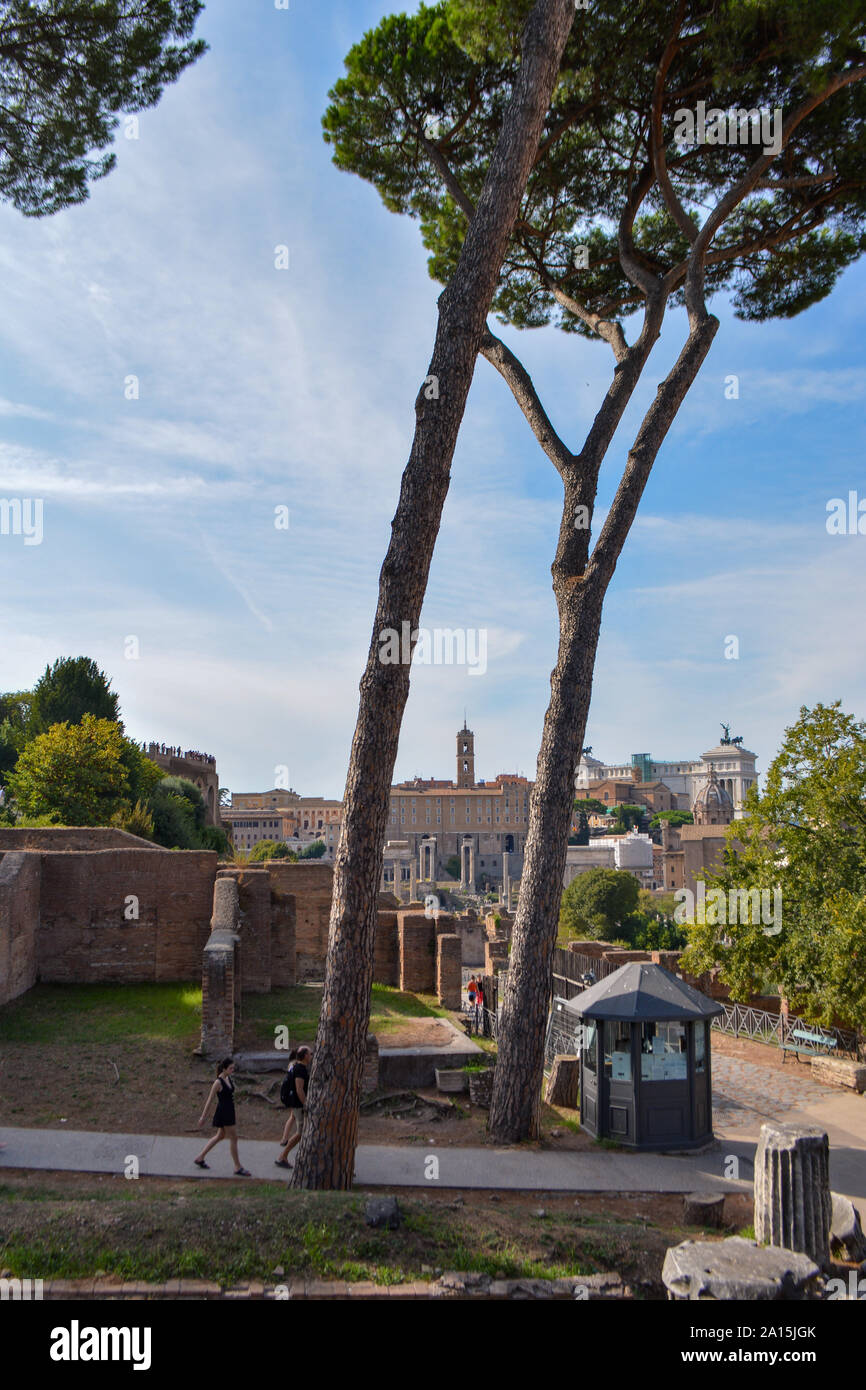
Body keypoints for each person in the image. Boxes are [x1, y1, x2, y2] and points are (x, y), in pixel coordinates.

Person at [193, 1057, 250, 1175]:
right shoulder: (218, 1082)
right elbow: (210, 1100)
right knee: (234, 1138)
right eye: (230, 1068)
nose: (232, 1070)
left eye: (233, 1068)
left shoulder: (228, 1078)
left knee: (220, 1136)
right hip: (224, 1112)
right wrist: (203, 1117)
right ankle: (237, 1167)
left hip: (229, 1110)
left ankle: (200, 1157)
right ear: (224, 1069)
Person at [275, 1046, 311, 1169]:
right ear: (305, 1056)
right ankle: (282, 1156)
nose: (311, 1056)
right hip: (298, 1105)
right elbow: (299, 1089)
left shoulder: (300, 1067)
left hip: (298, 1104)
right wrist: (306, 1104)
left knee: (303, 1132)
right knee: (300, 1132)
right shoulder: (300, 1069)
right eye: (310, 1054)